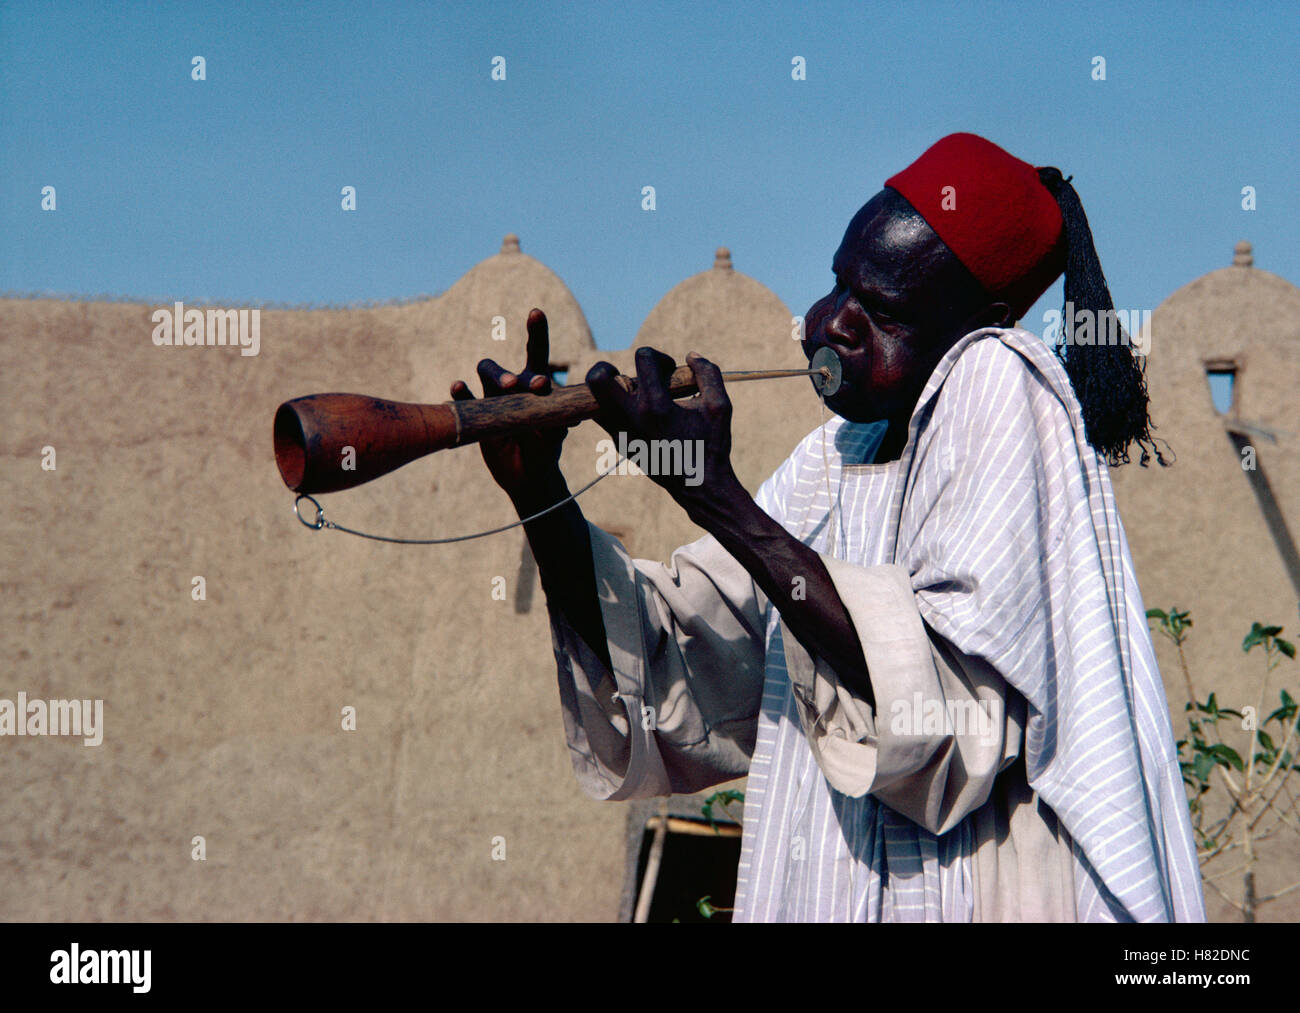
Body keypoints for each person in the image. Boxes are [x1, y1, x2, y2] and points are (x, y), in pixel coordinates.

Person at [451, 133, 1204, 922]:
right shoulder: (834, 457)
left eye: (880, 311)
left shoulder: (999, 381)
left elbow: (942, 721)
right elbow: (674, 659)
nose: (833, 324)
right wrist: (542, 494)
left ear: (981, 324)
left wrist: (714, 495)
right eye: (838, 284)